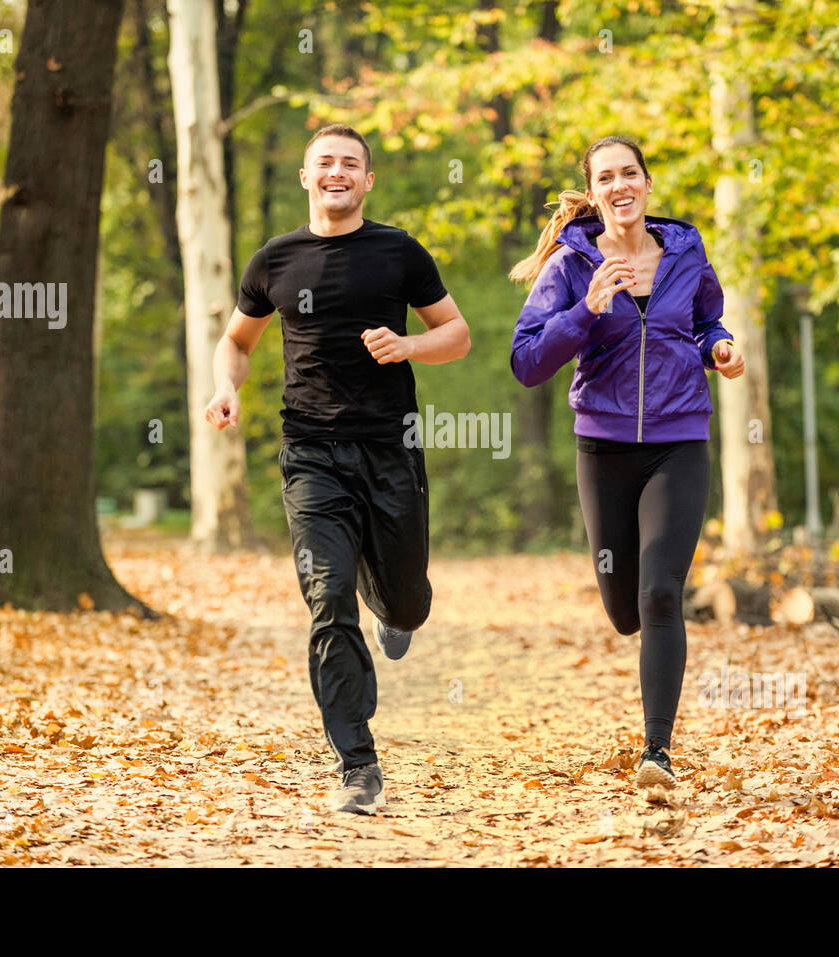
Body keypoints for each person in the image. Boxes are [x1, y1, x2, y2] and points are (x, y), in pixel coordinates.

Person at [205, 124, 471, 814]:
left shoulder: (398, 251)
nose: (337, 172)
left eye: (350, 163)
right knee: (326, 598)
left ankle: (393, 605)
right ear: (305, 176)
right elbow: (237, 342)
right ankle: (358, 763)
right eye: (324, 161)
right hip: (311, 452)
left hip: (390, 448)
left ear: (367, 180)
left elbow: (457, 335)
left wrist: (408, 344)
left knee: (408, 597)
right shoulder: (276, 259)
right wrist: (226, 386)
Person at [509, 135, 745, 796]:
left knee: (662, 591)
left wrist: (720, 345)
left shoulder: (686, 253)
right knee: (623, 609)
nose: (620, 184)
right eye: (606, 176)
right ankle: (639, 629)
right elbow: (526, 361)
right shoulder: (571, 264)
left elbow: (704, 321)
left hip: (679, 440)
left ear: (646, 183)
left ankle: (658, 751)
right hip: (604, 448)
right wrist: (586, 311)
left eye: (630, 172)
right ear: (594, 190)